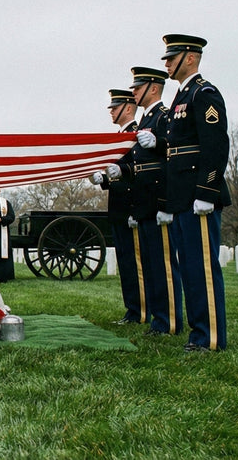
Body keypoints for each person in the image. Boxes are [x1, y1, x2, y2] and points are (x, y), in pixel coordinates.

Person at [159, 34, 231, 352]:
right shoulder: (180, 98)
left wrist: (207, 190)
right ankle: (198, 333)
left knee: (202, 267)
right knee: (188, 267)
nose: (166, 63)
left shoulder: (204, 94)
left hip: (197, 196)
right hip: (180, 197)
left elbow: (215, 145)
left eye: (171, 57)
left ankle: (209, 337)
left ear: (190, 57)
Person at [111, 67, 184, 337]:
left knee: (163, 266)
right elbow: (139, 168)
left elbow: (169, 163)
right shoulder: (145, 122)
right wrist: (122, 173)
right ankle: (159, 319)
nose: (133, 93)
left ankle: (169, 321)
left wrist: (165, 204)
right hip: (143, 204)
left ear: (153, 88)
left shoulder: (163, 118)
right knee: (152, 266)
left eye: (137, 88)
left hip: (157, 203)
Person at [90, 89, 145, 325]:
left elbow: (140, 173)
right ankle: (132, 309)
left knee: (136, 264)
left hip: (133, 208)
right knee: (126, 263)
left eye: (115, 107)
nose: (111, 111)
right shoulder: (120, 136)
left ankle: (140, 310)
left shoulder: (137, 136)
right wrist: (103, 180)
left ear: (128, 108)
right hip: (119, 208)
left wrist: (135, 210)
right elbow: (120, 175)